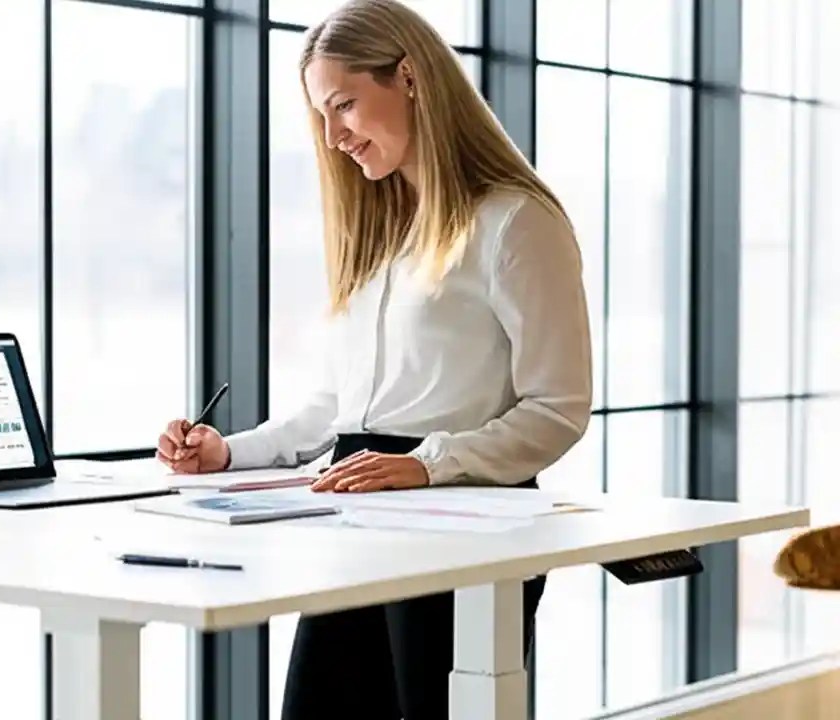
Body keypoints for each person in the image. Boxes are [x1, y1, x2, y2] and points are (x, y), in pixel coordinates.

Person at [156, 0, 592, 717]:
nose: (333, 138)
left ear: (410, 78)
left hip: (461, 518)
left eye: (345, 106)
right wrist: (225, 453)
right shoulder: (383, 232)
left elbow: (558, 408)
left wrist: (428, 462)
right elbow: (337, 407)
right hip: (354, 515)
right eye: (321, 117)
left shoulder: (518, 222)